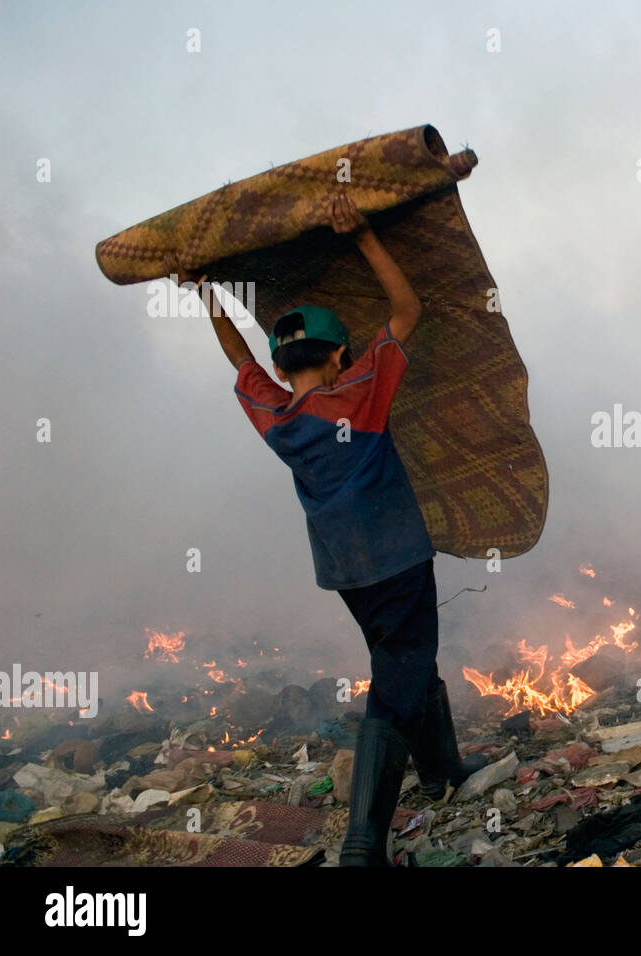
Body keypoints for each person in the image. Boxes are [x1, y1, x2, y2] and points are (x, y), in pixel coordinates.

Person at [177, 192, 483, 865]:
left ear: (284, 367)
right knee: (397, 684)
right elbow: (409, 312)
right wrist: (367, 236)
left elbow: (239, 364)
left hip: (346, 571)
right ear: (342, 355)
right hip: (398, 558)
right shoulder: (361, 393)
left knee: (405, 661)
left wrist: (207, 296)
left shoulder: (277, 417)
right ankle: (362, 844)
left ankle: (442, 774)